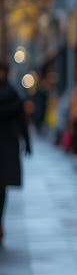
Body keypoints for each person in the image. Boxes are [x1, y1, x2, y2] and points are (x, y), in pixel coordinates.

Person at [0, 63, 31, 244]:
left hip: (7, 145)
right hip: (8, 145)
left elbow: (21, 120)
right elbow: (22, 120)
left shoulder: (13, 94)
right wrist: (26, 142)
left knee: (1, 187)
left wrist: (27, 141)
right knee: (2, 187)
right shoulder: (13, 94)